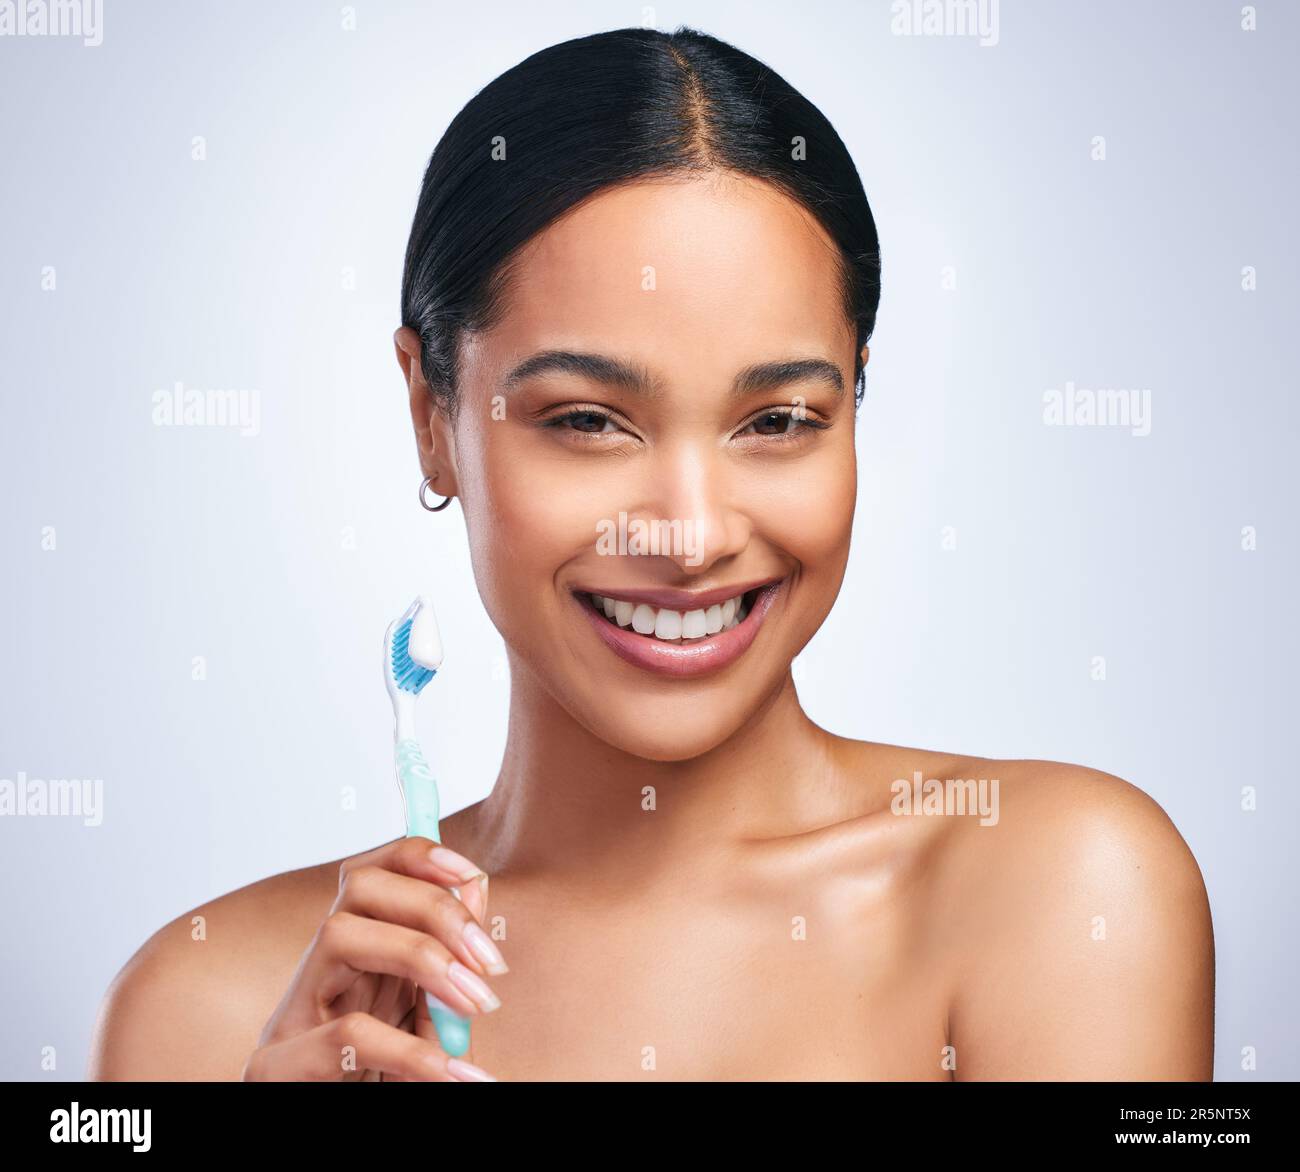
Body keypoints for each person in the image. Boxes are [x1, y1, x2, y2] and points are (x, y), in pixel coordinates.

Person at [88, 25, 1213, 1082]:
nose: (687, 535)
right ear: (431, 413)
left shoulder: (1063, 888)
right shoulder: (209, 1006)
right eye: (586, 419)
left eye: (776, 419)